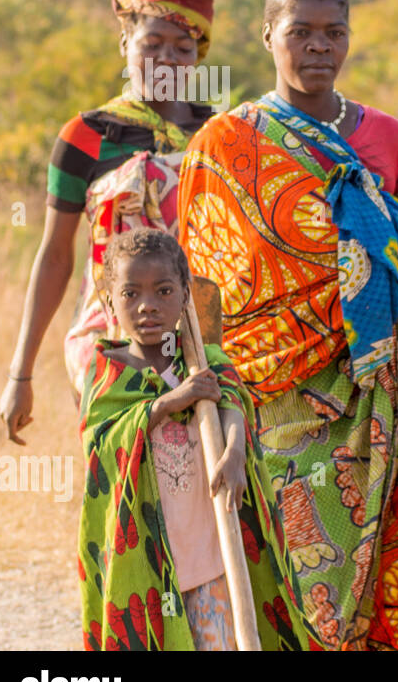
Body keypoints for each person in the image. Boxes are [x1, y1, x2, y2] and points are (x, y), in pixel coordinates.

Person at [177, 0, 398, 650]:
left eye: (334, 32)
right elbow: (204, 282)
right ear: (268, 34)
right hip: (273, 393)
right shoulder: (225, 145)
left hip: (380, 383)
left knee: (380, 555)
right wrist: (207, 383)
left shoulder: (388, 135)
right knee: (294, 561)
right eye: (300, 31)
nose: (318, 46)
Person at [0, 0, 217, 441]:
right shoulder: (84, 136)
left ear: (199, 55)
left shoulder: (220, 135)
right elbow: (56, 255)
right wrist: (21, 374)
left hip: (206, 335)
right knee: (124, 477)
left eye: (183, 47)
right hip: (111, 338)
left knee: (201, 493)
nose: (167, 59)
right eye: (152, 43)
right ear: (124, 42)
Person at [79, 229, 301, 650]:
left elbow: (232, 403)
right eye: (130, 294)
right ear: (109, 301)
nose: (147, 305)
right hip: (151, 554)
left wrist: (235, 453)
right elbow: (101, 446)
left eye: (164, 291)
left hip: (211, 551)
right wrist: (169, 401)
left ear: (185, 296)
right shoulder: (108, 373)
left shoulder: (203, 361)